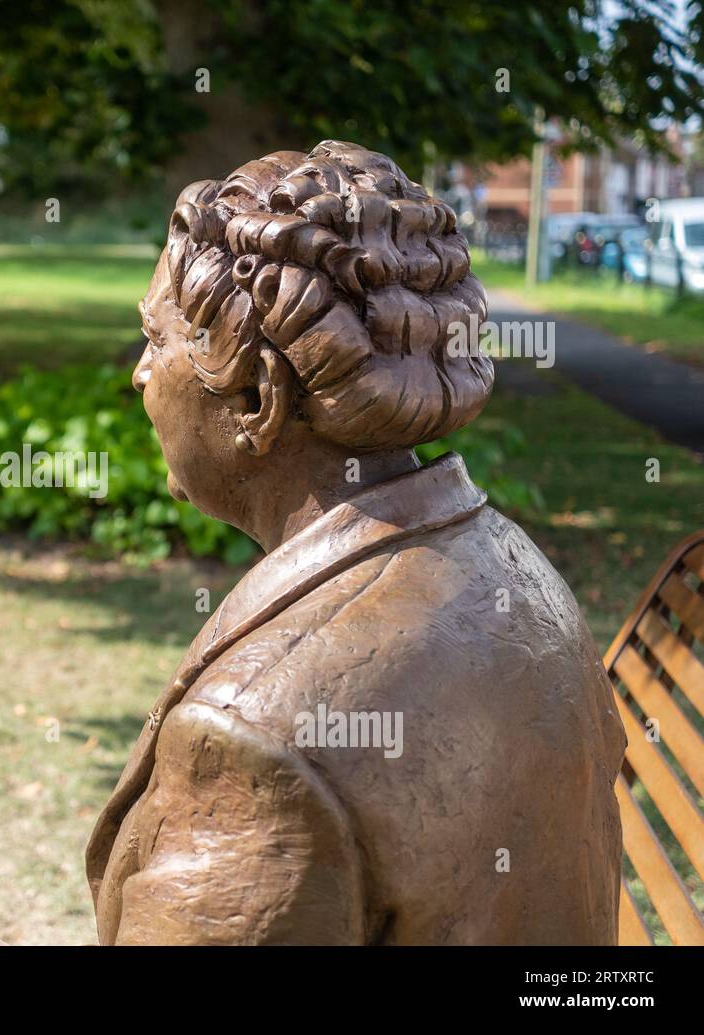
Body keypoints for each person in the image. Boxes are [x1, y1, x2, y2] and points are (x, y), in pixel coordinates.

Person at [86, 140, 626, 945]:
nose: (138, 375)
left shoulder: (252, 743)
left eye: (155, 342)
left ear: (260, 398)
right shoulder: (523, 573)